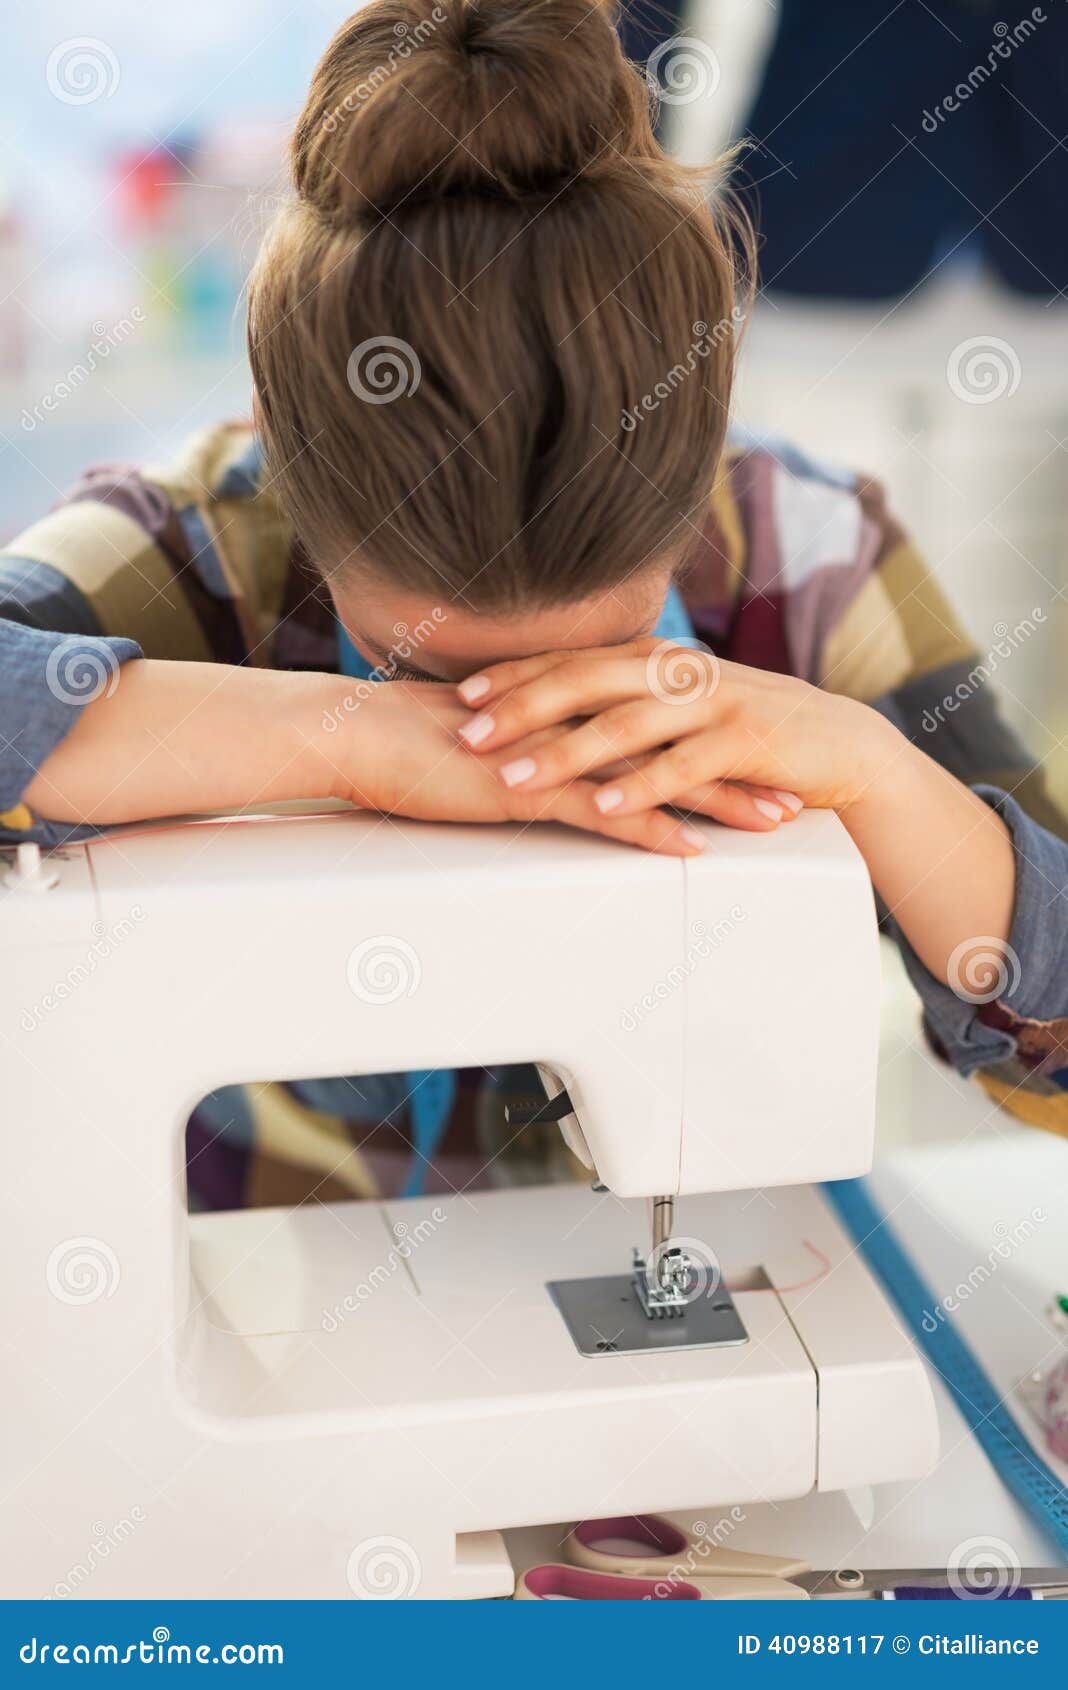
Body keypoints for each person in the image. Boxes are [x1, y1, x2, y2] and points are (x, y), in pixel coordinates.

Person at [3, 0, 1066, 1209]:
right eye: (436, 685)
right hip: (274, 1252)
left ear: (700, 491)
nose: (526, 746)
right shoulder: (182, 549)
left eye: (604, 666)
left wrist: (885, 775)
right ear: (283, 474)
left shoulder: (806, 560)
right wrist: (345, 741)